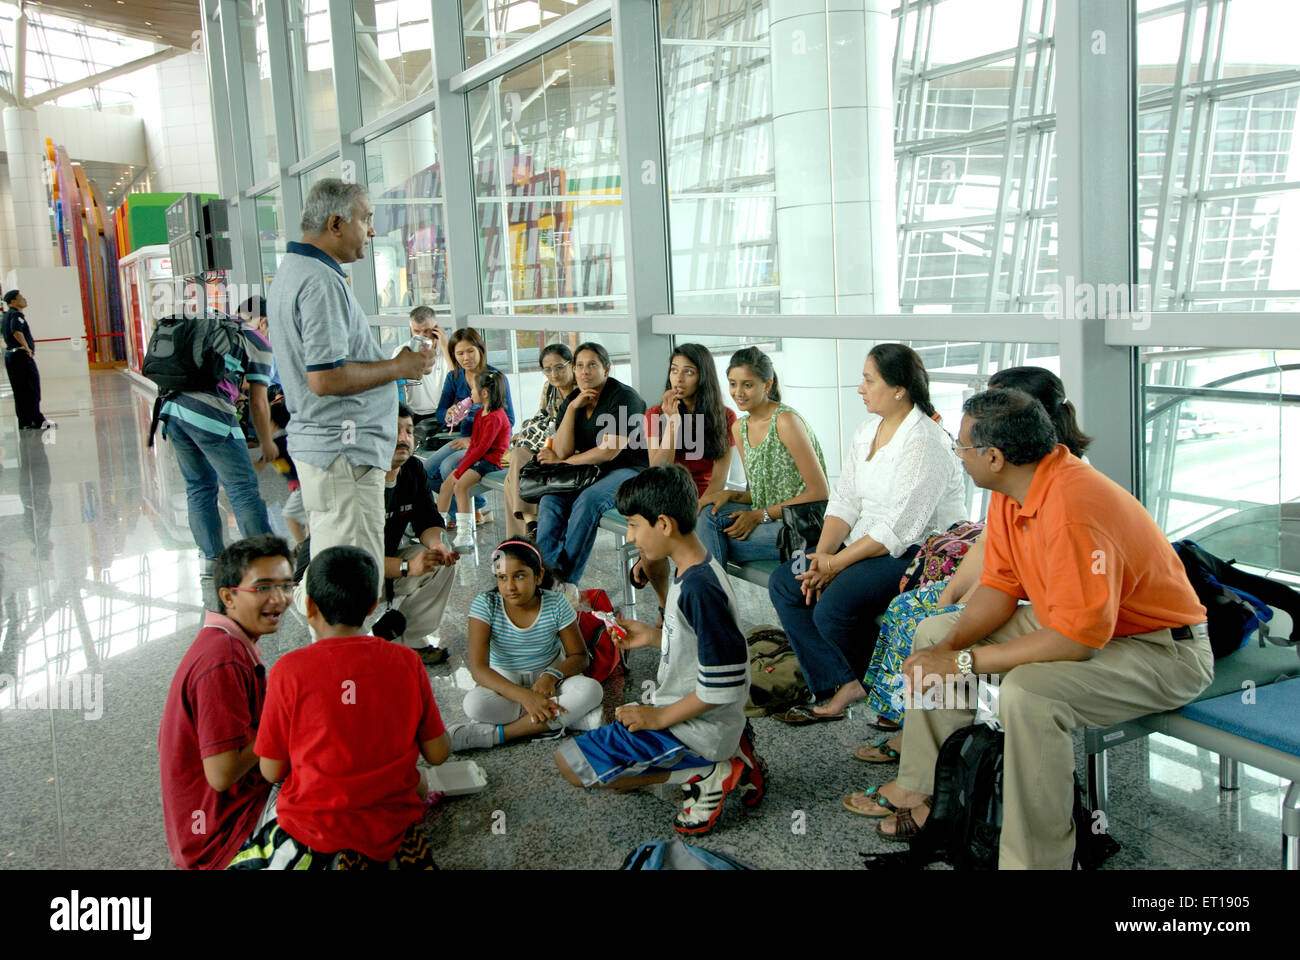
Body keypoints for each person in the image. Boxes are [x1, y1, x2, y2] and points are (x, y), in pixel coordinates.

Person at [847, 388, 1212, 869]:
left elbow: (1076, 641)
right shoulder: (1013, 490)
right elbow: (999, 588)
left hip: (1161, 649)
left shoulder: (1075, 509)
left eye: (962, 447)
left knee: (1030, 694)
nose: (958, 455)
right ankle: (934, 795)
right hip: (1089, 624)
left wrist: (961, 661)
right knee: (934, 633)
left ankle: (1036, 861)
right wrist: (950, 646)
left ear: (994, 457)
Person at [856, 366, 1092, 761]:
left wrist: (960, 653)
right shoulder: (1011, 483)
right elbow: (992, 558)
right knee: (919, 614)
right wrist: (947, 601)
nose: (960, 454)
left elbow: (1075, 627)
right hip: (1027, 598)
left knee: (926, 623)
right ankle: (916, 736)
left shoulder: (1068, 491)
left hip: (1055, 610)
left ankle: (926, 741)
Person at [554, 466, 766, 836]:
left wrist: (657, 718)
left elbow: (724, 687)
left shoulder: (700, 589)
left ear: (664, 524)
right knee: (612, 773)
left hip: (696, 724)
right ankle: (724, 755)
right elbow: (699, 648)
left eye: (634, 525)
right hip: (690, 714)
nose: (631, 536)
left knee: (572, 764)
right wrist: (654, 637)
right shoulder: (693, 569)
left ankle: (710, 770)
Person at [768, 343, 966, 725]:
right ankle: (838, 681)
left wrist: (835, 564)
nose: (860, 388)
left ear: (899, 389)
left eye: (868, 380)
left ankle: (887, 695)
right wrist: (819, 558)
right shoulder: (867, 430)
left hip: (914, 553)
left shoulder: (925, 442)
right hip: (862, 542)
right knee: (786, 581)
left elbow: (898, 530)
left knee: (834, 607)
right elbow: (843, 501)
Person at [267, 178, 436, 616]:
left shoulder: (294, 271)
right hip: (342, 455)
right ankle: (349, 673)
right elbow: (326, 377)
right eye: (367, 219)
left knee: (331, 567)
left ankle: (331, 665)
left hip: (327, 451)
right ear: (337, 222)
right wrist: (398, 367)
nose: (373, 230)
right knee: (354, 579)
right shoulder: (319, 281)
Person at [232, 545, 451, 869]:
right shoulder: (405, 661)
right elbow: (438, 753)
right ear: (373, 606)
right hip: (393, 832)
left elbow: (271, 770)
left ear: (308, 605)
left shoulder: (288, 671)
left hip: (313, 835)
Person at [157, 535, 294, 869]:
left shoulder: (224, 642)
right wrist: (286, 722)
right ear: (228, 596)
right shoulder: (223, 660)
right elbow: (221, 773)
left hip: (225, 817)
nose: (278, 599)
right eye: (262, 588)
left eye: (286, 586)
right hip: (225, 839)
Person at [157, 289, 277, 580]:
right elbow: (260, 402)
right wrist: (266, 441)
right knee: (242, 488)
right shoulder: (256, 341)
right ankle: (265, 561)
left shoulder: (211, 322)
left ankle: (210, 559)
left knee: (198, 487)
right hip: (210, 415)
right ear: (262, 320)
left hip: (172, 410)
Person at [445, 540, 604, 751]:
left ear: (538, 576)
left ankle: (499, 734)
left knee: (591, 690)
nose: (510, 586)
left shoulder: (556, 603)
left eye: (519, 576)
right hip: (506, 685)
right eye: (502, 578)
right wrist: (526, 698)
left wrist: (550, 676)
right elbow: (479, 669)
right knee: (474, 704)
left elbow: (579, 656)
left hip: (550, 684)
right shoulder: (486, 604)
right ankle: (570, 720)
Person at [696, 346, 828, 567]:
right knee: (708, 515)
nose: (738, 392)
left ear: (767, 384)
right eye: (732, 383)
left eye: (747, 385)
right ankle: (713, 594)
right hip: (768, 517)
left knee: (709, 542)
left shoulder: (785, 421)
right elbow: (759, 492)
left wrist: (759, 515)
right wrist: (729, 494)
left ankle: (711, 596)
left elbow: (819, 492)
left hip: (799, 523)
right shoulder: (740, 428)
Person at [535, 341, 648, 597]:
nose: (585, 372)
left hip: (631, 470)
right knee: (551, 499)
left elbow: (608, 451)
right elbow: (562, 450)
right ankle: (545, 576)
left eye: (592, 365)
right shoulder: (574, 399)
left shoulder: (624, 397)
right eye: (580, 366)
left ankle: (565, 584)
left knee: (588, 501)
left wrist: (563, 463)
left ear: (606, 369)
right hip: (592, 470)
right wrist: (572, 409)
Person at [631, 342, 736, 617]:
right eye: (675, 370)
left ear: (703, 376)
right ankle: (665, 604)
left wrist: (696, 509)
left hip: (702, 498)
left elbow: (718, 480)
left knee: (687, 542)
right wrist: (673, 421)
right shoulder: (656, 413)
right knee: (651, 550)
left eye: (688, 371)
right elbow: (659, 468)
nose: (678, 378)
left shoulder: (725, 417)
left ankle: (695, 606)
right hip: (663, 495)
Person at [370, 404, 460, 666]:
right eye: (394, 431)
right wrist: (407, 566)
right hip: (341, 574)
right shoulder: (361, 478)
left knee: (438, 563)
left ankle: (407, 640)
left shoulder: (412, 470)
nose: (403, 438)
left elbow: (427, 519)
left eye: (409, 431)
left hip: (384, 562)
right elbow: (356, 555)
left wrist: (439, 546)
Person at [423, 327, 515, 523]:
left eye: (470, 351)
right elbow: (440, 413)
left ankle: (467, 514)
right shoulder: (454, 377)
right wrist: (448, 414)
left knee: (449, 466)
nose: (466, 357)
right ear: (454, 356)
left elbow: (509, 420)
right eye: (460, 353)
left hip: (485, 444)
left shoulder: (495, 378)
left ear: (480, 350)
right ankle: (465, 510)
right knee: (427, 470)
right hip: (463, 439)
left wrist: (473, 440)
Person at [505, 343, 576, 540]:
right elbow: (542, 416)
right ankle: (528, 530)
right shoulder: (549, 388)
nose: (554, 374)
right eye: (548, 369)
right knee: (513, 474)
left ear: (571, 365)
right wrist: (524, 433)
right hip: (545, 446)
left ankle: (524, 534)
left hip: (568, 451)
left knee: (515, 470)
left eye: (559, 367)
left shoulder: (581, 389)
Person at [437, 369, 510, 549]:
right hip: (478, 459)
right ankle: (437, 529)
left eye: (473, 390)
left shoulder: (496, 417)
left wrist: (462, 469)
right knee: (446, 485)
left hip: (490, 462)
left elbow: (482, 449)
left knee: (460, 486)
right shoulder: (479, 414)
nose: (470, 393)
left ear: (484, 393)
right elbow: (474, 445)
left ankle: (465, 535)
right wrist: (462, 466)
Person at [394, 305, 450, 427]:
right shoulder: (401, 352)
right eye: (417, 331)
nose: (422, 336)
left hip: (442, 413)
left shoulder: (447, 352)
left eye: (426, 331)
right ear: (411, 330)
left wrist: (445, 348)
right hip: (413, 413)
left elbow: (457, 379)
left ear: (436, 329)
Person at [2, 289, 49, 430]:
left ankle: (25, 421)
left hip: (11, 357)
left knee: (20, 390)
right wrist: (27, 347)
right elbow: (16, 331)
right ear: (13, 301)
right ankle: (37, 420)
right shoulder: (16, 315)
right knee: (31, 388)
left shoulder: (7, 315)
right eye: (20, 297)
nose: (24, 299)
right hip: (20, 357)